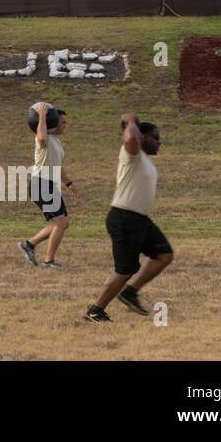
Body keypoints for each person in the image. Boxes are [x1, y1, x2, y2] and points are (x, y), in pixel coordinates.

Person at [84, 115, 174, 323]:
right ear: (142, 137)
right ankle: (96, 310)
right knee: (124, 270)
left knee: (164, 254)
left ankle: (130, 292)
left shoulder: (145, 161)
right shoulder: (131, 154)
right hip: (124, 218)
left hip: (140, 219)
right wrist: (130, 121)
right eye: (156, 138)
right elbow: (130, 140)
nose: (159, 142)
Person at [18, 102, 79, 268]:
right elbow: (42, 136)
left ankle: (29, 245)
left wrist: (69, 183)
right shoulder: (42, 138)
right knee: (60, 223)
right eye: (63, 122)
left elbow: (57, 166)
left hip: (49, 185)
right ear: (53, 122)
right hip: (40, 184)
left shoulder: (56, 142)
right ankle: (49, 261)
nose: (66, 125)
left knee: (63, 222)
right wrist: (42, 116)